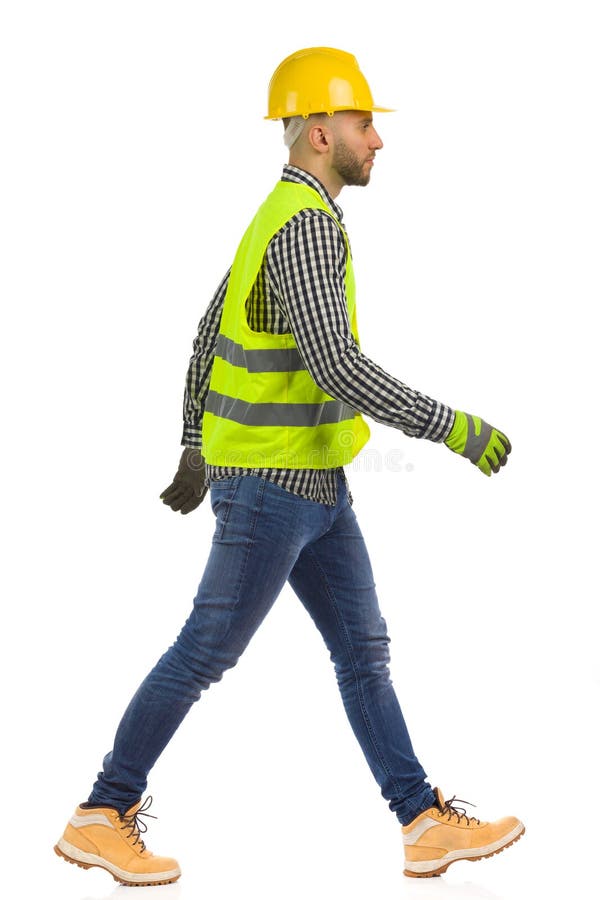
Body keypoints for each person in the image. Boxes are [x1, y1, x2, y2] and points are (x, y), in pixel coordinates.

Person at [55, 47, 524, 886]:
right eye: (362, 123)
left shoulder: (276, 215)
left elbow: (207, 335)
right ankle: (101, 810)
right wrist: (454, 427)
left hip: (312, 485)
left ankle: (421, 822)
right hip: (273, 487)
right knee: (205, 650)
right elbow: (337, 366)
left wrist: (195, 449)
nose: (377, 141)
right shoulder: (305, 225)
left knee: (363, 651)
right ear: (318, 133)